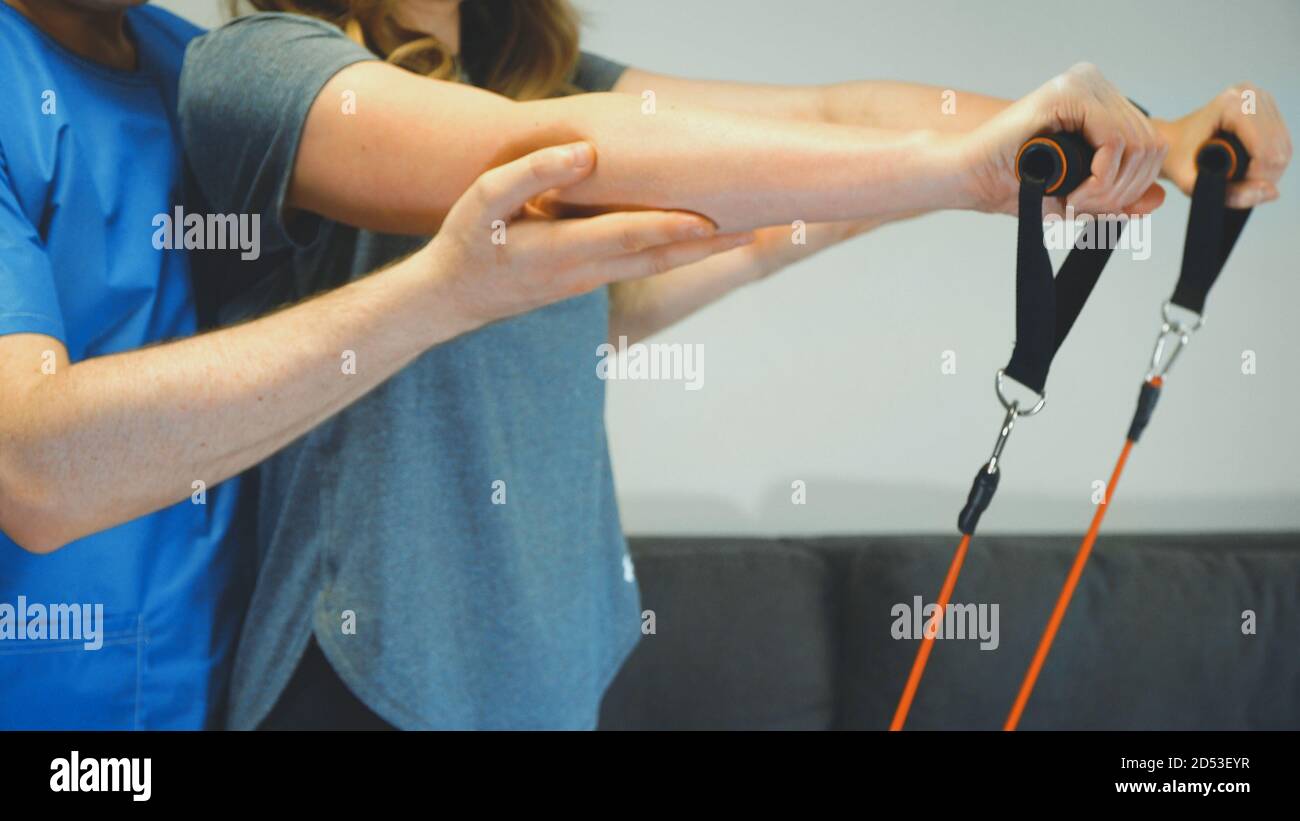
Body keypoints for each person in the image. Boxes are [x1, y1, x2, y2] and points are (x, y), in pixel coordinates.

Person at [176, 0, 1289, 729]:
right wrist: (952, 169)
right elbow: (530, 160)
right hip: (364, 682)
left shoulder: (556, 79)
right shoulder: (260, 70)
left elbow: (830, 111)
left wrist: (1152, 133)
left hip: (550, 678)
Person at [0, 0, 743, 729]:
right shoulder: (226, 74)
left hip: (210, 677)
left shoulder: (185, 66)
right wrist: (440, 293)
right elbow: (35, 470)